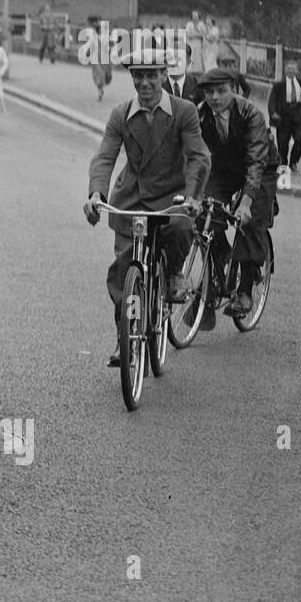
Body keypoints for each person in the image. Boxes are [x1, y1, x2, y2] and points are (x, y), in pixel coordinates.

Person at [84, 47, 210, 367]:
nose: (145, 83)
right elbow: (105, 157)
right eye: (138, 76)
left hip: (173, 195)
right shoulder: (121, 114)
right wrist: (96, 194)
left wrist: (193, 196)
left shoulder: (184, 112)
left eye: (151, 75)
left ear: (164, 75)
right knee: (123, 274)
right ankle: (125, 338)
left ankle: (171, 274)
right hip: (133, 198)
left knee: (181, 226)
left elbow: (198, 157)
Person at [197, 67, 277, 318]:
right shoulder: (200, 115)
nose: (215, 97)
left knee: (250, 219)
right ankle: (221, 256)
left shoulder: (251, 114)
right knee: (204, 213)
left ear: (234, 89)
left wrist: (245, 202)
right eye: (209, 92)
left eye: (221, 91)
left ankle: (244, 290)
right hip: (225, 168)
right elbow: (192, 153)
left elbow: (255, 162)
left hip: (261, 168)